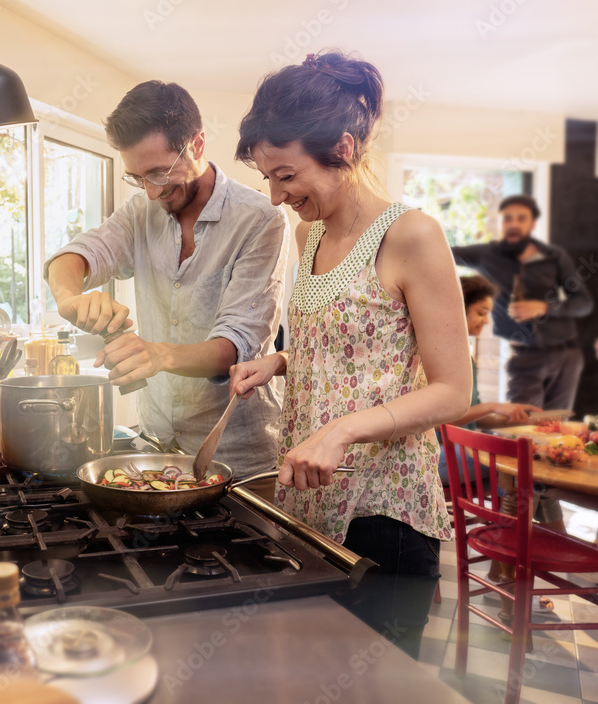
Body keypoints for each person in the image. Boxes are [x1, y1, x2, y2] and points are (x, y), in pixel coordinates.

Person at [229, 51, 472, 659]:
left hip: (383, 508)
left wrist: (340, 430)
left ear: (341, 147)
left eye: (286, 175)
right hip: (308, 498)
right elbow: (350, 343)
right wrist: (279, 362)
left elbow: (452, 390)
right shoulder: (308, 234)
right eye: (268, 178)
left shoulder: (410, 234)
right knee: (308, 670)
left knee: (376, 686)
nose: (278, 196)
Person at [44, 81, 290, 477]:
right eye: (137, 177)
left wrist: (159, 355)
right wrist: (69, 297)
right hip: (157, 447)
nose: (152, 192)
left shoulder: (261, 219)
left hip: (237, 456)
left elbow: (236, 346)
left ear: (196, 144)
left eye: (159, 172)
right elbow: (76, 256)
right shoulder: (140, 212)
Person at [452, 195, 593, 412]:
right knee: (521, 426)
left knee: (555, 429)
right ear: (501, 222)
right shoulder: (485, 255)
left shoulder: (554, 256)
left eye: (521, 218)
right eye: (508, 218)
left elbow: (584, 303)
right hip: (525, 356)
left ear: (532, 223)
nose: (514, 224)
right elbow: (443, 254)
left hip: (568, 354)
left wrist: (545, 307)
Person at [436, 274, 541, 486]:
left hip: (463, 450)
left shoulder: (466, 355)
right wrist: (492, 405)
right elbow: (437, 422)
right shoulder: (440, 355)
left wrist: (512, 417)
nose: (486, 320)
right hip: (437, 457)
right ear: (458, 308)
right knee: (529, 463)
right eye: (481, 312)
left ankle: (516, 517)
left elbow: (471, 416)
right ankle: (512, 517)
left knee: (535, 465)